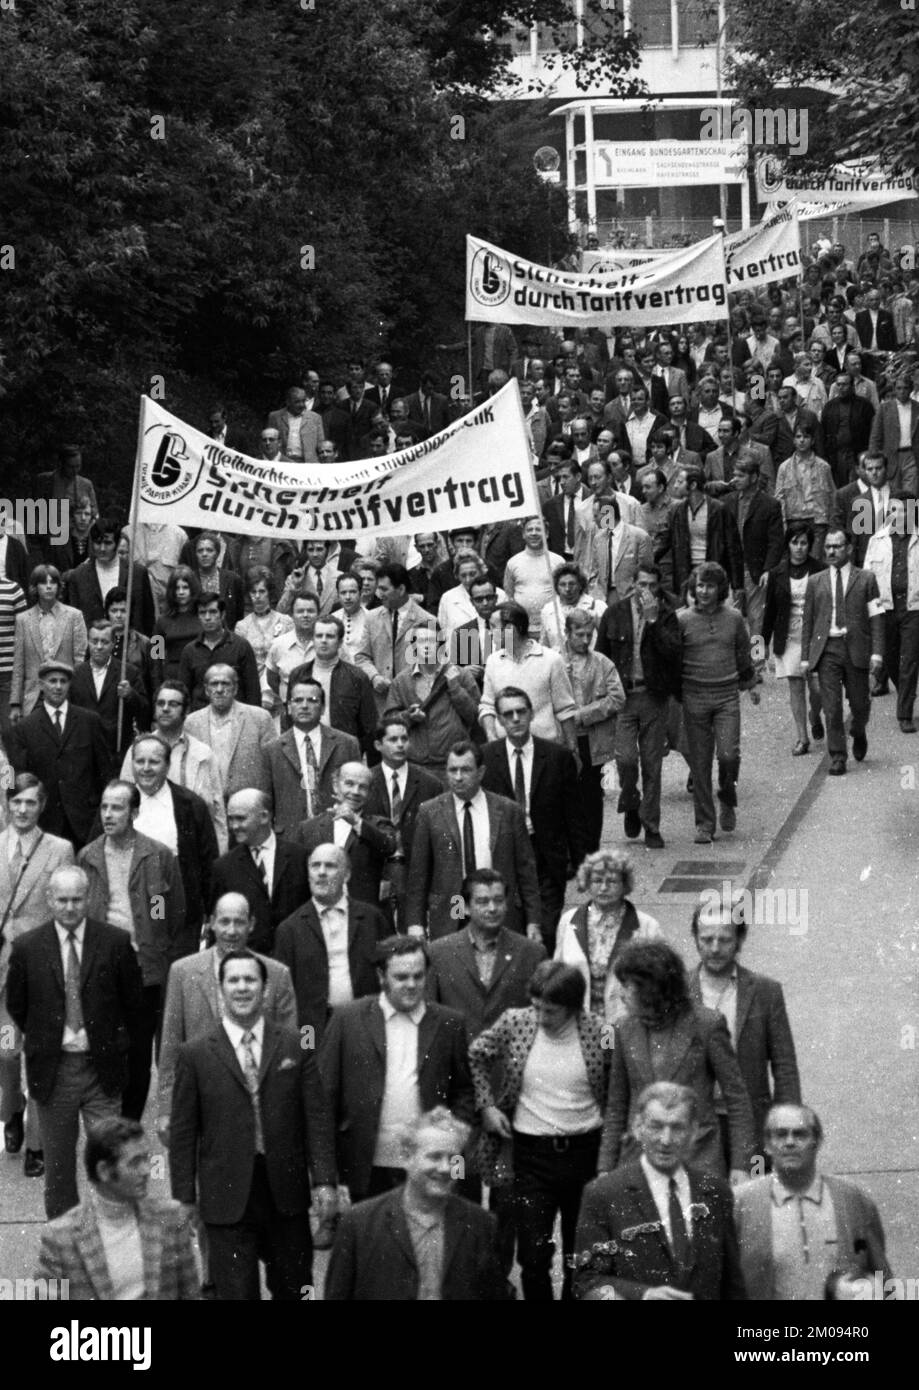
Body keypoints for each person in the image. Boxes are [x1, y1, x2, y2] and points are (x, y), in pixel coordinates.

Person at [169, 948, 337, 1300]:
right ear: (221, 989)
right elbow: (183, 1133)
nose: (242, 988)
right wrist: (183, 1197)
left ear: (265, 988)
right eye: (234, 980)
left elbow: (316, 1119)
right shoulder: (195, 1054)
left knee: (294, 1289)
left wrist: (324, 1181)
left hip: (285, 1193)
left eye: (250, 980)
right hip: (226, 1196)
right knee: (236, 1293)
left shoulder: (295, 1045)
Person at [6, 865, 144, 1219]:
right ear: (49, 899)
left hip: (102, 1071)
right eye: (62, 900)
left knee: (111, 1164)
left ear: (89, 899)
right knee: (59, 1170)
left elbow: (133, 1006)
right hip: (55, 1072)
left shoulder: (114, 942)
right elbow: (18, 1006)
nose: (70, 907)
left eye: (77, 899)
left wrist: (113, 1045)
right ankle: (64, 1250)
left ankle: (116, 1243)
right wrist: (49, 1039)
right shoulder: (26, 947)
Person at [469, 961, 609, 1301]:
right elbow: (477, 1054)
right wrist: (486, 1104)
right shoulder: (516, 1022)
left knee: (582, 1254)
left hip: (584, 1152)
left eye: (552, 1011)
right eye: (537, 1007)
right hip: (531, 1155)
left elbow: (618, 1082)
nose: (542, 1017)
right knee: (533, 1254)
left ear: (574, 1007)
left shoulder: (599, 1031)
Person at [317, 936, 475, 1202]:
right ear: (382, 976)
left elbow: (464, 1092)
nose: (411, 985)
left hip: (427, 1164)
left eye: (418, 976)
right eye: (401, 977)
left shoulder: (449, 1024)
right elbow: (324, 1099)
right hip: (365, 1166)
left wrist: (452, 1141)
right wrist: (325, 1178)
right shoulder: (347, 1020)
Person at [573, 1082, 747, 1301]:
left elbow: (732, 1285)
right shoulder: (603, 1195)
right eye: (656, 1126)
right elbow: (586, 1282)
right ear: (637, 1128)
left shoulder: (715, 1192)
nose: (665, 1140)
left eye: (677, 1128)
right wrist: (642, 1296)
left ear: (694, 1132)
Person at [598, 941, 755, 1181]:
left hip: (697, 1158)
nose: (620, 994)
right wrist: (606, 1167)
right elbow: (617, 1104)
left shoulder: (707, 1024)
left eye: (627, 986)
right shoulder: (623, 1028)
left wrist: (742, 1165)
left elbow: (738, 1099)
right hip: (637, 1160)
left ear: (650, 989)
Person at [78, 780, 185, 1121]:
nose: (108, 815)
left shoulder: (157, 856)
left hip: (143, 968)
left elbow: (168, 909)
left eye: (117, 808)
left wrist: (153, 939)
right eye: (105, 807)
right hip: (100, 968)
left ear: (135, 812)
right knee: (104, 1046)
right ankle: (107, 1118)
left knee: (139, 1051)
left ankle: (130, 1123)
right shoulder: (89, 857)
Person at [325, 1106, 507, 1301]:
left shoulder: (481, 1224)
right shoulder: (359, 1224)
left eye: (454, 1159)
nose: (446, 1168)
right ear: (406, 1157)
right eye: (435, 1157)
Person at [156, 892, 297, 1142]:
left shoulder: (277, 975)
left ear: (251, 924)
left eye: (239, 922)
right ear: (211, 922)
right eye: (224, 922)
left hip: (259, 1106)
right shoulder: (183, 972)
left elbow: (290, 1047)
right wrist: (166, 1110)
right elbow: (170, 1047)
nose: (231, 931)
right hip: (201, 1102)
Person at [734, 1103, 892, 1300]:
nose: (790, 1142)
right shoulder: (742, 1203)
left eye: (800, 1134)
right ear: (767, 1144)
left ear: (817, 1141)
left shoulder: (852, 1199)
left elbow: (883, 1278)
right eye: (781, 1134)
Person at [687, 886, 801, 1160]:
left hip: (751, 1125)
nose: (715, 948)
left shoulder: (766, 991)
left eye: (724, 940)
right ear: (695, 939)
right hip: (695, 1129)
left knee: (753, 1194)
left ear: (740, 940)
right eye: (707, 939)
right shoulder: (677, 991)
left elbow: (784, 1066)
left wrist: (787, 1126)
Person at [0, 774, 75, 1178]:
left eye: (31, 803)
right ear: (8, 806)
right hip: (2, 975)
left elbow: (67, 905)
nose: (23, 810)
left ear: (41, 805)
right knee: (6, 1052)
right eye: (17, 803)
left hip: (44, 969)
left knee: (42, 1057)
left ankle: (36, 1143)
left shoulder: (59, 849)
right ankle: (10, 1110)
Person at [35, 1116, 199, 1300]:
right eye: (135, 1162)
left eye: (146, 1159)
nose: (146, 1170)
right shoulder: (60, 1238)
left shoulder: (171, 1217)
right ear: (104, 1171)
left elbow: (191, 1294)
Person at [482, 686, 589, 951]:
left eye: (521, 712)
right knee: (508, 930)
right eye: (508, 714)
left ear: (531, 714)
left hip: (546, 858)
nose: (516, 719)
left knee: (546, 932)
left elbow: (575, 816)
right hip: (503, 857)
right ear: (500, 720)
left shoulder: (557, 757)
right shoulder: (486, 758)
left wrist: (583, 863)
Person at [405, 740, 542, 941]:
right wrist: (415, 923)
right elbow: (419, 873)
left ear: (481, 772)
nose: (458, 777)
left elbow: (526, 871)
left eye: (466, 770)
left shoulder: (507, 810)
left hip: (495, 905)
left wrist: (533, 921)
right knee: (457, 959)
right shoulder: (430, 812)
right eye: (452, 770)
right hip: (456, 904)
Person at [597, 562, 682, 847]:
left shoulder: (667, 615)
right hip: (623, 697)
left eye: (651, 585)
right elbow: (602, 657)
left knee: (652, 764)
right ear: (633, 584)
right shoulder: (615, 613)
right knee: (625, 760)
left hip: (652, 696)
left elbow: (673, 654)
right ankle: (631, 799)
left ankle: (651, 825)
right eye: (641, 584)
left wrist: (654, 621)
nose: (646, 590)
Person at [274, 842, 391, 1046]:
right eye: (315, 866)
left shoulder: (372, 919)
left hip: (365, 1026)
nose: (321, 873)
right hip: (311, 1032)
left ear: (346, 875)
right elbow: (282, 994)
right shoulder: (289, 929)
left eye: (330, 866)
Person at [679, 563, 759, 844]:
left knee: (728, 755)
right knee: (700, 764)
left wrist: (750, 686)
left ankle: (727, 797)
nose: (704, 591)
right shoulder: (682, 620)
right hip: (694, 697)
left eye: (710, 586)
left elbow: (744, 654)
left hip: (726, 696)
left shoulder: (735, 618)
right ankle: (704, 824)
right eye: (699, 585)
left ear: (720, 589)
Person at [800, 527, 885, 774]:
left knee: (860, 705)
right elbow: (808, 622)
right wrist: (806, 657)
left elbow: (877, 617)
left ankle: (858, 732)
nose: (831, 551)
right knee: (832, 706)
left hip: (856, 648)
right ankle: (837, 755)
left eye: (837, 546)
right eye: (827, 546)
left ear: (849, 548)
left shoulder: (866, 579)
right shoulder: (815, 582)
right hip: (827, 649)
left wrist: (877, 653)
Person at [126, 733, 219, 958]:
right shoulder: (119, 802)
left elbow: (209, 861)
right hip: (130, 904)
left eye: (154, 762)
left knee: (169, 960)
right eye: (140, 761)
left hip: (171, 900)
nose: (146, 768)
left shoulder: (189, 804)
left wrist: (210, 910)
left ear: (167, 766)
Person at [8, 659, 112, 850]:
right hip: (45, 824)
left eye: (63, 681)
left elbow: (105, 773)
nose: (58, 686)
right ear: (41, 685)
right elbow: (18, 780)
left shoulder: (89, 721)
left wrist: (99, 816)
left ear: (69, 685)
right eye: (52, 681)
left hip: (85, 824)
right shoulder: (25, 728)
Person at [554, 849, 662, 1021]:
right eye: (597, 880)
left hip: (626, 1024)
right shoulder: (568, 921)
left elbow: (659, 983)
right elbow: (557, 975)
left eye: (612, 881)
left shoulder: (647, 926)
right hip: (578, 1023)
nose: (603, 888)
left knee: (611, 1046)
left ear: (625, 885)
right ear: (587, 882)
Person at [364, 715, 442, 926]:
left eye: (404, 739)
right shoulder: (365, 783)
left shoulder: (430, 784)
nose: (400, 744)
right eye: (393, 739)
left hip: (416, 871)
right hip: (376, 872)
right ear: (378, 744)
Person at [211, 789, 310, 954]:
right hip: (248, 962)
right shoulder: (223, 867)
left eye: (241, 819)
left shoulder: (300, 857)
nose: (234, 826)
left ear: (264, 817)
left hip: (296, 957)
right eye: (230, 819)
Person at [562, 608, 626, 851]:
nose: (586, 640)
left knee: (592, 798)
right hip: (563, 739)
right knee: (566, 797)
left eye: (590, 634)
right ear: (567, 633)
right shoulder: (555, 661)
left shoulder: (602, 663)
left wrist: (583, 715)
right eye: (579, 634)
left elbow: (617, 698)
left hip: (593, 742)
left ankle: (591, 849)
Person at [479, 601, 578, 755]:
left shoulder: (551, 660)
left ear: (511, 629)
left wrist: (572, 750)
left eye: (493, 627)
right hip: (506, 752)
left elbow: (565, 709)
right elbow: (487, 706)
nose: (490, 633)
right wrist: (492, 738)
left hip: (546, 751)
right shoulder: (492, 661)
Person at [266, 676, 360, 838]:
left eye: (312, 700)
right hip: (290, 837)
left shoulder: (347, 744)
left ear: (323, 708)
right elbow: (267, 802)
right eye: (298, 700)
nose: (304, 706)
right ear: (288, 707)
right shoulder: (272, 749)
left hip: (337, 834)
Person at [763, 520, 827, 754]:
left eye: (804, 543)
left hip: (814, 639)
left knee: (818, 688)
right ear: (788, 545)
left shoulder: (821, 570)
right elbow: (767, 613)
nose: (799, 547)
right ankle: (802, 737)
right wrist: (759, 651)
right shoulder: (776, 574)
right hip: (788, 638)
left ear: (809, 545)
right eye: (795, 542)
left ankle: (815, 713)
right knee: (796, 687)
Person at [386, 624, 480, 780]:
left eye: (431, 640)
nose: (427, 646)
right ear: (413, 646)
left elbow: (475, 717)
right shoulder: (401, 681)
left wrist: (455, 688)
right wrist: (408, 717)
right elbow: (388, 722)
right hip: (414, 765)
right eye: (421, 641)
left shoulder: (461, 675)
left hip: (452, 765)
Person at [297, 760, 397, 909]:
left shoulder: (379, 825)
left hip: (363, 915)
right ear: (336, 786)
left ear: (369, 793)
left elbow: (388, 847)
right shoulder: (309, 828)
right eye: (349, 784)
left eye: (362, 787)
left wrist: (356, 821)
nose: (356, 792)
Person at [864, 495, 919, 731]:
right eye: (894, 510)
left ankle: (904, 713)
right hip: (885, 608)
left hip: (913, 608)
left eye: (904, 511)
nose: (899, 515)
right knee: (890, 657)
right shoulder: (877, 540)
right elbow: (867, 578)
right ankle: (905, 692)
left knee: (909, 659)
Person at [183, 663, 276, 800]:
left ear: (235, 688)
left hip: (248, 804)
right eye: (214, 684)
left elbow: (273, 766)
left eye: (225, 684)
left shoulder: (260, 718)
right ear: (206, 690)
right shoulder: (191, 722)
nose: (219, 689)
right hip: (207, 804)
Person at [353, 563, 435, 714]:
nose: (379, 594)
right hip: (380, 705)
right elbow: (361, 657)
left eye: (384, 589)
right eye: (378, 588)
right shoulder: (372, 618)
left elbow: (431, 667)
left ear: (401, 589)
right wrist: (374, 677)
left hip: (414, 704)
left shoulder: (427, 620)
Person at [288, 616, 377, 753]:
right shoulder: (298, 675)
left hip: (344, 752)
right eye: (319, 636)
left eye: (329, 636)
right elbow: (288, 718)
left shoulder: (357, 677)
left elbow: (369, 726)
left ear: (340, 642)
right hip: (305, 749)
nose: (323, 641)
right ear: (312, 639)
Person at [9, 565, 88, 721]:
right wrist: (15, 703)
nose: (49, 587)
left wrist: (78, 694)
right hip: (34, 696)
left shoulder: (74, 616)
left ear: (59, 586)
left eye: (53, 582)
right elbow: (19, 664)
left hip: (66, 692)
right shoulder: (23, 619)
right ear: (35, 587)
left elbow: (80, 659)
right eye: (43, 583)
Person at [63, 513, 155, 638]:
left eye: (107, 543)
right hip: (92, 650)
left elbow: (150, 621)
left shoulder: (138, 573)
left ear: (117, 544)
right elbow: (72, 622)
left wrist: (155, 656)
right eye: (97, 543)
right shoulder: (78, 576)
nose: (102, 548)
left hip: (131, 651)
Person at [69, 617, 149, 759]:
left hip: (116, 749)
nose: (99, 646)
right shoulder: (76, 674)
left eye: (104, 642)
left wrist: (130, 694)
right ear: (88, 642)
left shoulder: (129, 672)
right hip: (83, 748)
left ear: (113, 644)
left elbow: (144, 710)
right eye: (94, 641)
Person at [661, 467, 744, 598]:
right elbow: (663, 542)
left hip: (712, 570)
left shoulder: (719, 509)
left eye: (679, 482)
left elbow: (733, 548)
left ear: (693, 485)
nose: (675, 486)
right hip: (686, 573)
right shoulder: (676, 511)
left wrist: (737, 585)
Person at [178, 593, 261, 711]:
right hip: (200, 718)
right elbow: (183, 693)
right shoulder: (189, 650)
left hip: (236, 716)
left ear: (222, 615)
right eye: (202, 613)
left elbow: (253, 690)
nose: (207, 617)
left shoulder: (241, 646)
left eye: (212, 612)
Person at [502, 517, 565, 637]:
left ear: (546, 534)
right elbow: (509, 594)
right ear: (523, 534)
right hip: (522, 628)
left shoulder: (558, 562)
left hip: (552, 627)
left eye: (538, 529)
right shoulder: (513, 563)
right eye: (530, 530)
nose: (534, 533)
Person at [233, 566, 294, 686]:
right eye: (253, 592)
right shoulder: (242, 627)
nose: (257, 596)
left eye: (261, 591)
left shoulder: (285, 622)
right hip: (253, 685)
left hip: (280, 684)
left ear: (269, 593)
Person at [150, 566, 202, 686]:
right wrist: (158, 687)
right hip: (173, 678)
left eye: (185, 587)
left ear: (193, 589)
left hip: (199, 675)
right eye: (177, 588)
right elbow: (155, 658)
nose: (181, 592)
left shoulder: (203, 616)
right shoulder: (161, 622)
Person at [537, 563, 606, 654]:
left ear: (580, 585)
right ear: (556, 587)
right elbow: (544, 645)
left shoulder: (598, 607)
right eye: (562, 584)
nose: (567, 589)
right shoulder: (548, 610)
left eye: (572, 584)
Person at [267, 385, 325, 463]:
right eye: (297, 402)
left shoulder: (315, 418)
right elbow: (268, 442)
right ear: (288, 402)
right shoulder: (275, 417)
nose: (301, 405)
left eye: (303, 401)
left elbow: (321, 445)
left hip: (308, 464)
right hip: (282, 463)